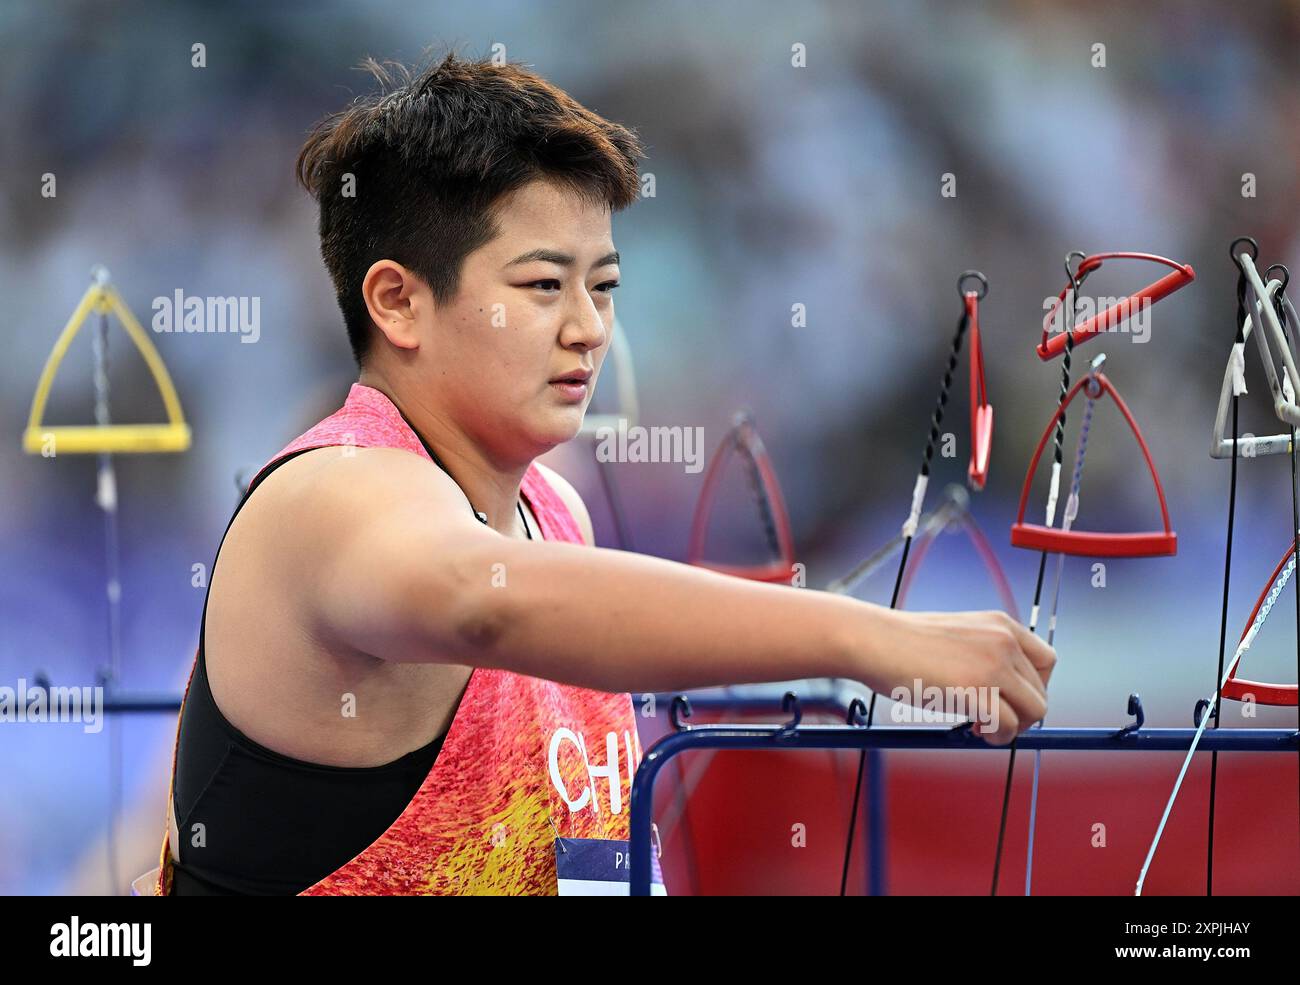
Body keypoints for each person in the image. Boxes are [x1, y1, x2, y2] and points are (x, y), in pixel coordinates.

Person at [153, 50, 1054, 896]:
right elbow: (488, 601)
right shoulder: (332, 491)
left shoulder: (556, 512)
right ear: (398, 301)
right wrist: (870, 640)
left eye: (605, 285)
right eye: (544, 286)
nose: (589, 327)